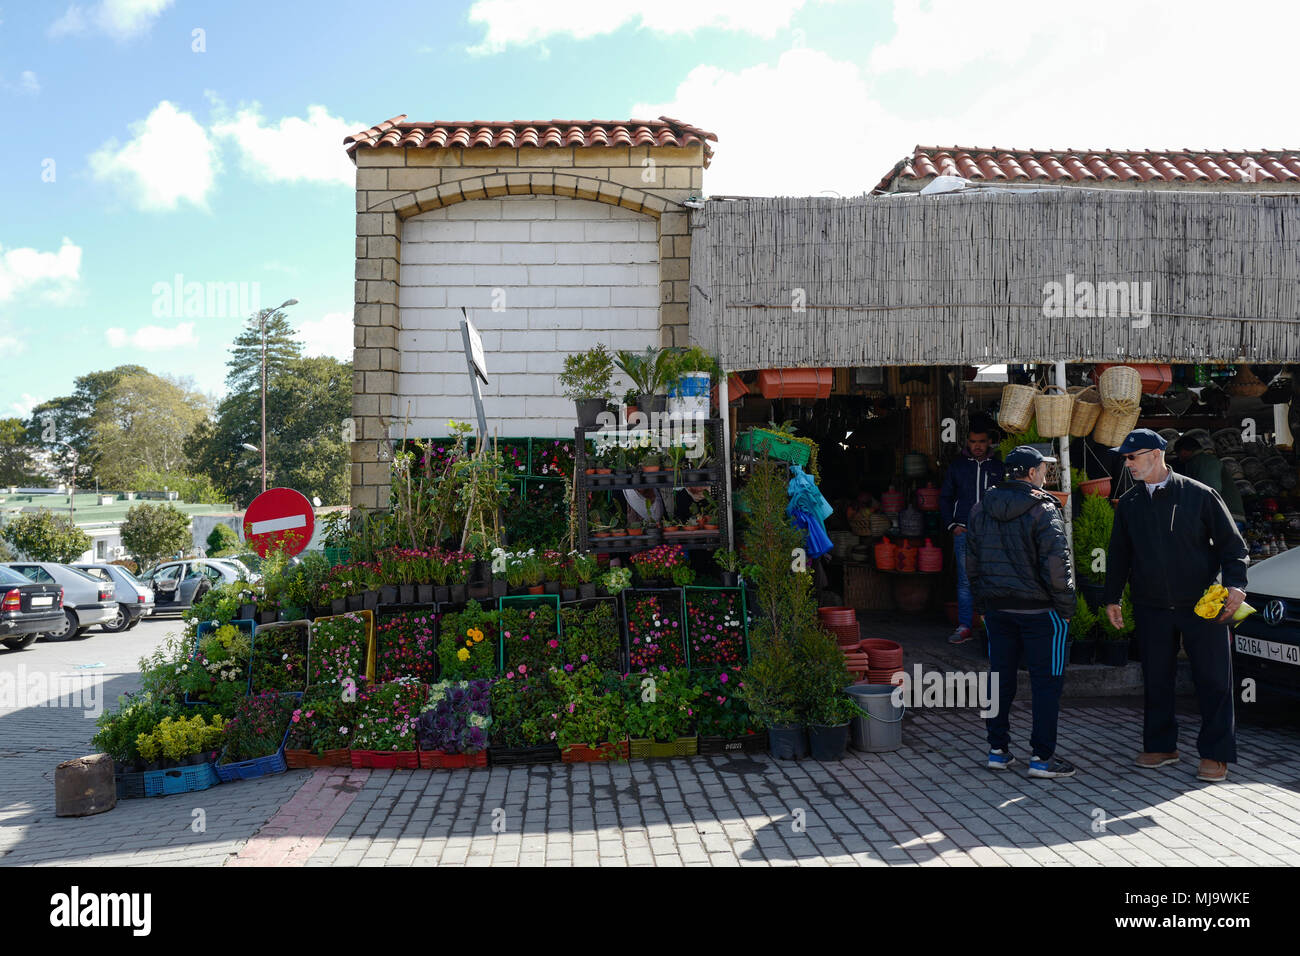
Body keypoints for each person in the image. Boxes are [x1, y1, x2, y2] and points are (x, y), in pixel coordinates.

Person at [1103, 428, 1249, 783]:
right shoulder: (1130, 503)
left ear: (1155, 454)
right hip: (1151, 605)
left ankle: (1215, 754)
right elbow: (1119, 554)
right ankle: (1161, 745)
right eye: (1125, 458)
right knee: (1155, 678)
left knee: (1214, 680)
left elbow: (1233, 546)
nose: (1128, 464)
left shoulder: (1200, 495)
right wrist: (1111, 596)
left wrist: (1236, 585)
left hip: (1202, 604)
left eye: (1132, 457)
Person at [966, 445, 1077, 779]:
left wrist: (983, 606)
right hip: (1041, 612)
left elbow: (971, 564)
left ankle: (997, 751)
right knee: (1047, 684)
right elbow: (1058, 565)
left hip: (998, 610)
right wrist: (1067, 608)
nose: (1045, 475)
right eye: (1043, 469)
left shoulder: (980, 508)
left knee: (999, 679)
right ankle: (1042, 758)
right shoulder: (1043, 508)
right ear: (1031, 473)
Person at [939, 422, 1005, 644]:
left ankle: (991, 627)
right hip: (964, 531)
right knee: (965, 581)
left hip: (991, 533)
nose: (977, 446)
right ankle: (965, 626)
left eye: (982, 442)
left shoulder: (998, 466)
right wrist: (952, 526)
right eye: (973, 442)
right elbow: (945, 497)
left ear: (989, 442)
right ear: (967, 442)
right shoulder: (958, 467)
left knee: (992, 579)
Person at [1173, 429, 1246, 527]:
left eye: (1178, 454)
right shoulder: (1200, 462)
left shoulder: (1205, 462)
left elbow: (1211, 491)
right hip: (1226, 515)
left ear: (1184, 451)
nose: (1179, 458)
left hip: (1226, 516)